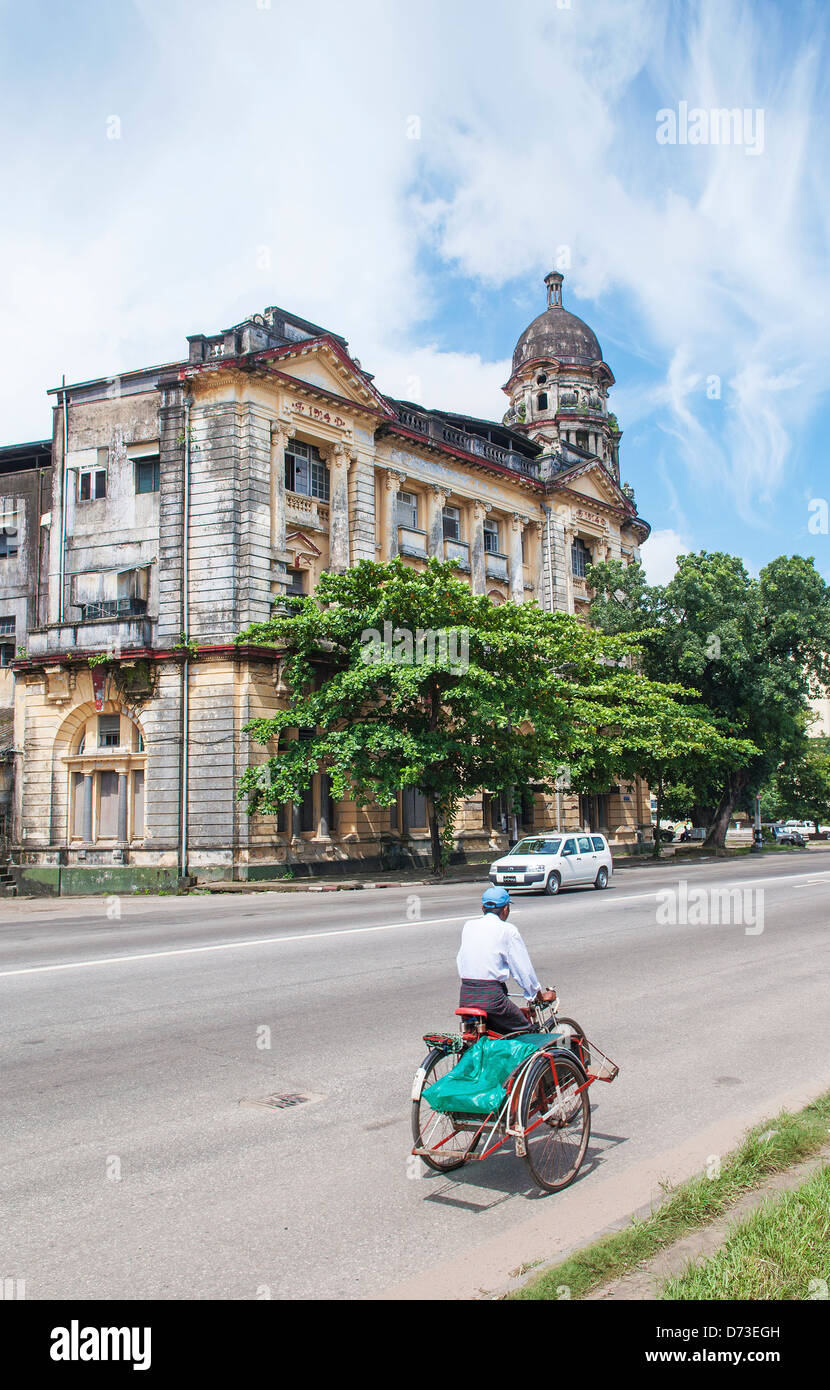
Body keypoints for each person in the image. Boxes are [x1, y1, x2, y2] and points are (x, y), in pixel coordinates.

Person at [456, 886, 556, 1035]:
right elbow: (523, 971)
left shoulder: (468, 926)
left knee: (491, 1036)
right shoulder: (508, 930)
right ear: (505, 910)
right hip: (492, 1000)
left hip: (466, 995)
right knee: (529, 1033)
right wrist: (536, 995)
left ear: (483, 908)